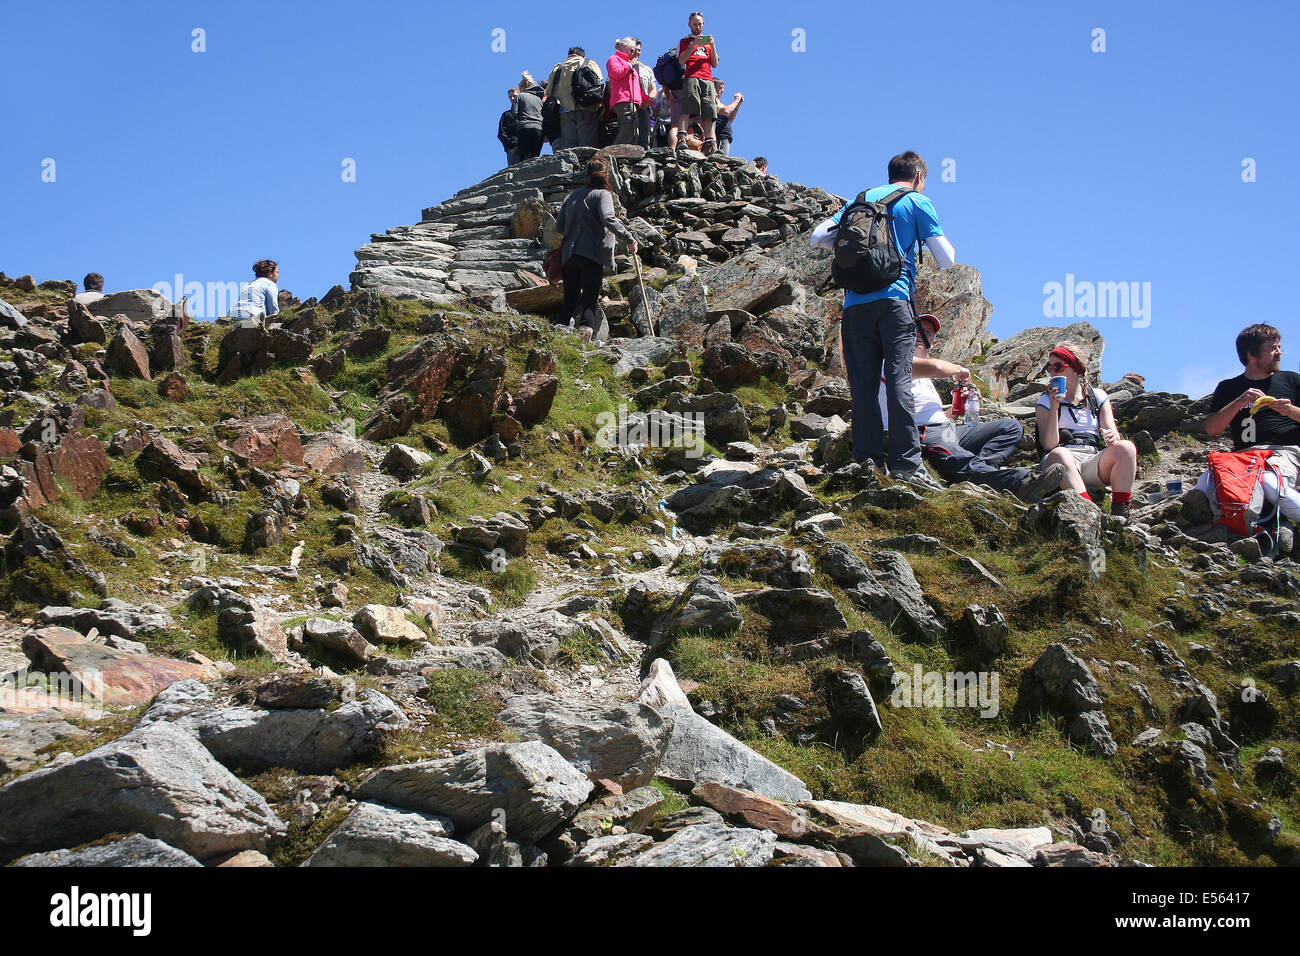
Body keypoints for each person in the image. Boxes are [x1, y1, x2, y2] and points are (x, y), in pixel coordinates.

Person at [810, 151, 956, 486]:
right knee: (899, 379)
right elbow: (947, 259)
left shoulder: (859, 200)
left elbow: (817, 236)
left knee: (862, 385)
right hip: (894, 302)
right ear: (919, 176)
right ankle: (907, 465)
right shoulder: (917, 200)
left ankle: (868, 463)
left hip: (854, 306)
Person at [881, 313, 1066, 500]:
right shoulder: (893, 361)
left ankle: (978, 473)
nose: (921, 334)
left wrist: (956, 409)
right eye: (916, 329)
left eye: (928, 332)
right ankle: (1020, 483)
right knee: (958, 457)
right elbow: (936, 367)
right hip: (918, 433)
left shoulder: (926, 380)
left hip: (943, 430)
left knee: (1011, 427)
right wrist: (960, 371)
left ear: (933, 343)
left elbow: (941, 417)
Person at [1197, 323, 1300, 522]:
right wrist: (1240, 401)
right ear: (1251, 354)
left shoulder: (1291, 380)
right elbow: (1212, 428)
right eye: (1272, 348)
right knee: (1205, 481)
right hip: (1243, 456)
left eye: (1279, 347)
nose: (1279, 353)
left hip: (1283, 452)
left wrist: (1290, 410)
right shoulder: (1229, 387)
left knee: (1268, 480)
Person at [1035, 344, 1139, 516]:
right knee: (1060, 454)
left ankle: (1121, 511)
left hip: (1092, 459)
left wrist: (1113, 438)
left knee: (1127, 448)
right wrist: (1054, 408)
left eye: (1058, 366)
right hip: (1061, 460)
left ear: (1075, 370)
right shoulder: (1045, 401)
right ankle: (1090, 511)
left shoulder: (1097, 397)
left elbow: (1112, 434)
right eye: (1049, 367)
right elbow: (1049, 444)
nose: (1052, 372)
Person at [554, 156, 638, 343]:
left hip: (569, 255)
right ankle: (584, 340)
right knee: (590, 300)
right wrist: (629, 237)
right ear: (607, 176)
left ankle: (559, 338)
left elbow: (559, 227)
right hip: (592, 253)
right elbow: (608, 218)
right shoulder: (602, 194)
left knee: (570, 300)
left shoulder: (571, 196)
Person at [676, 12, 719, 154]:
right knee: (688, 108)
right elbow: (681, 61)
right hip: (691, 77)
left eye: (700, 23)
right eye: (695, 24)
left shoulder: (709, 42)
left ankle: (709, 142)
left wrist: (712, 46)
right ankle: (681, 139)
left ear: (704, 23)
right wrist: (693, 45)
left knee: (709, 112)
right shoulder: (684, 41)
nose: (697, 26)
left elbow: (715, 63)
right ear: (690, 25)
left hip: (707, 78)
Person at [545, 47, 604, 149]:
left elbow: (549, 91)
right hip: (587, 108)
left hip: (565, 111)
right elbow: (599, 83)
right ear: (582, 55)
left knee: (569, 146)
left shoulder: (557, 68)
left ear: (569, 55)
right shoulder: (589, 63)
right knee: (587, 146)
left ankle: (570, 164)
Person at [606, 38, 644, 146]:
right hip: (623, 99)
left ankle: (628, 153)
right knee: (629, 125)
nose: (634, 53)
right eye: (631, 50)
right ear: (623, 47)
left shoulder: (628, 63)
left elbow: (635, 85)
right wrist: (629, 65)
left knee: (634, 129)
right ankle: (614, 150)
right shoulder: (614, 59)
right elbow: (616, 73)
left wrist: (645, 99)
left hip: (632, 101)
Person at [511, 72, 546, 160]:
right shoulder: (539, 99)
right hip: (539, 129)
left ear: (521, 88)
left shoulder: (520, 96)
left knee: (524, 158)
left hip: (524, 127)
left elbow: (514, 114)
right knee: (535, 157)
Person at [632, 39, 657, 149]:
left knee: (645, 133)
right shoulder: (620, 65)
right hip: (629, 104)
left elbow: (653, 88)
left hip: (644, 105)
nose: (637, 52)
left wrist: (648, 101)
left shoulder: (646, 69)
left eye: (639, 50)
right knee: (630, 132)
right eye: (634, 50)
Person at [712, 79, 742, 156]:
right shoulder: (712, 100)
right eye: (720, 88)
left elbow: (729, 119)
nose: (723, 90)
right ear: (713, 87)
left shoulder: (719, 102)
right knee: (720, 158)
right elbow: (725, 111)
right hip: (719, 135)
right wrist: (736, 100)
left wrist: (737, 106)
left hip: (724, 136)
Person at [498, 88, 520, 166]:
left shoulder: (526, 112)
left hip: (527, 147)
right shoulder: (506, 115)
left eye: (514, 96)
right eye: (510, 97)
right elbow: (501, 133)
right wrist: (511, 147)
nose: (512, 98)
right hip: (513, 150)